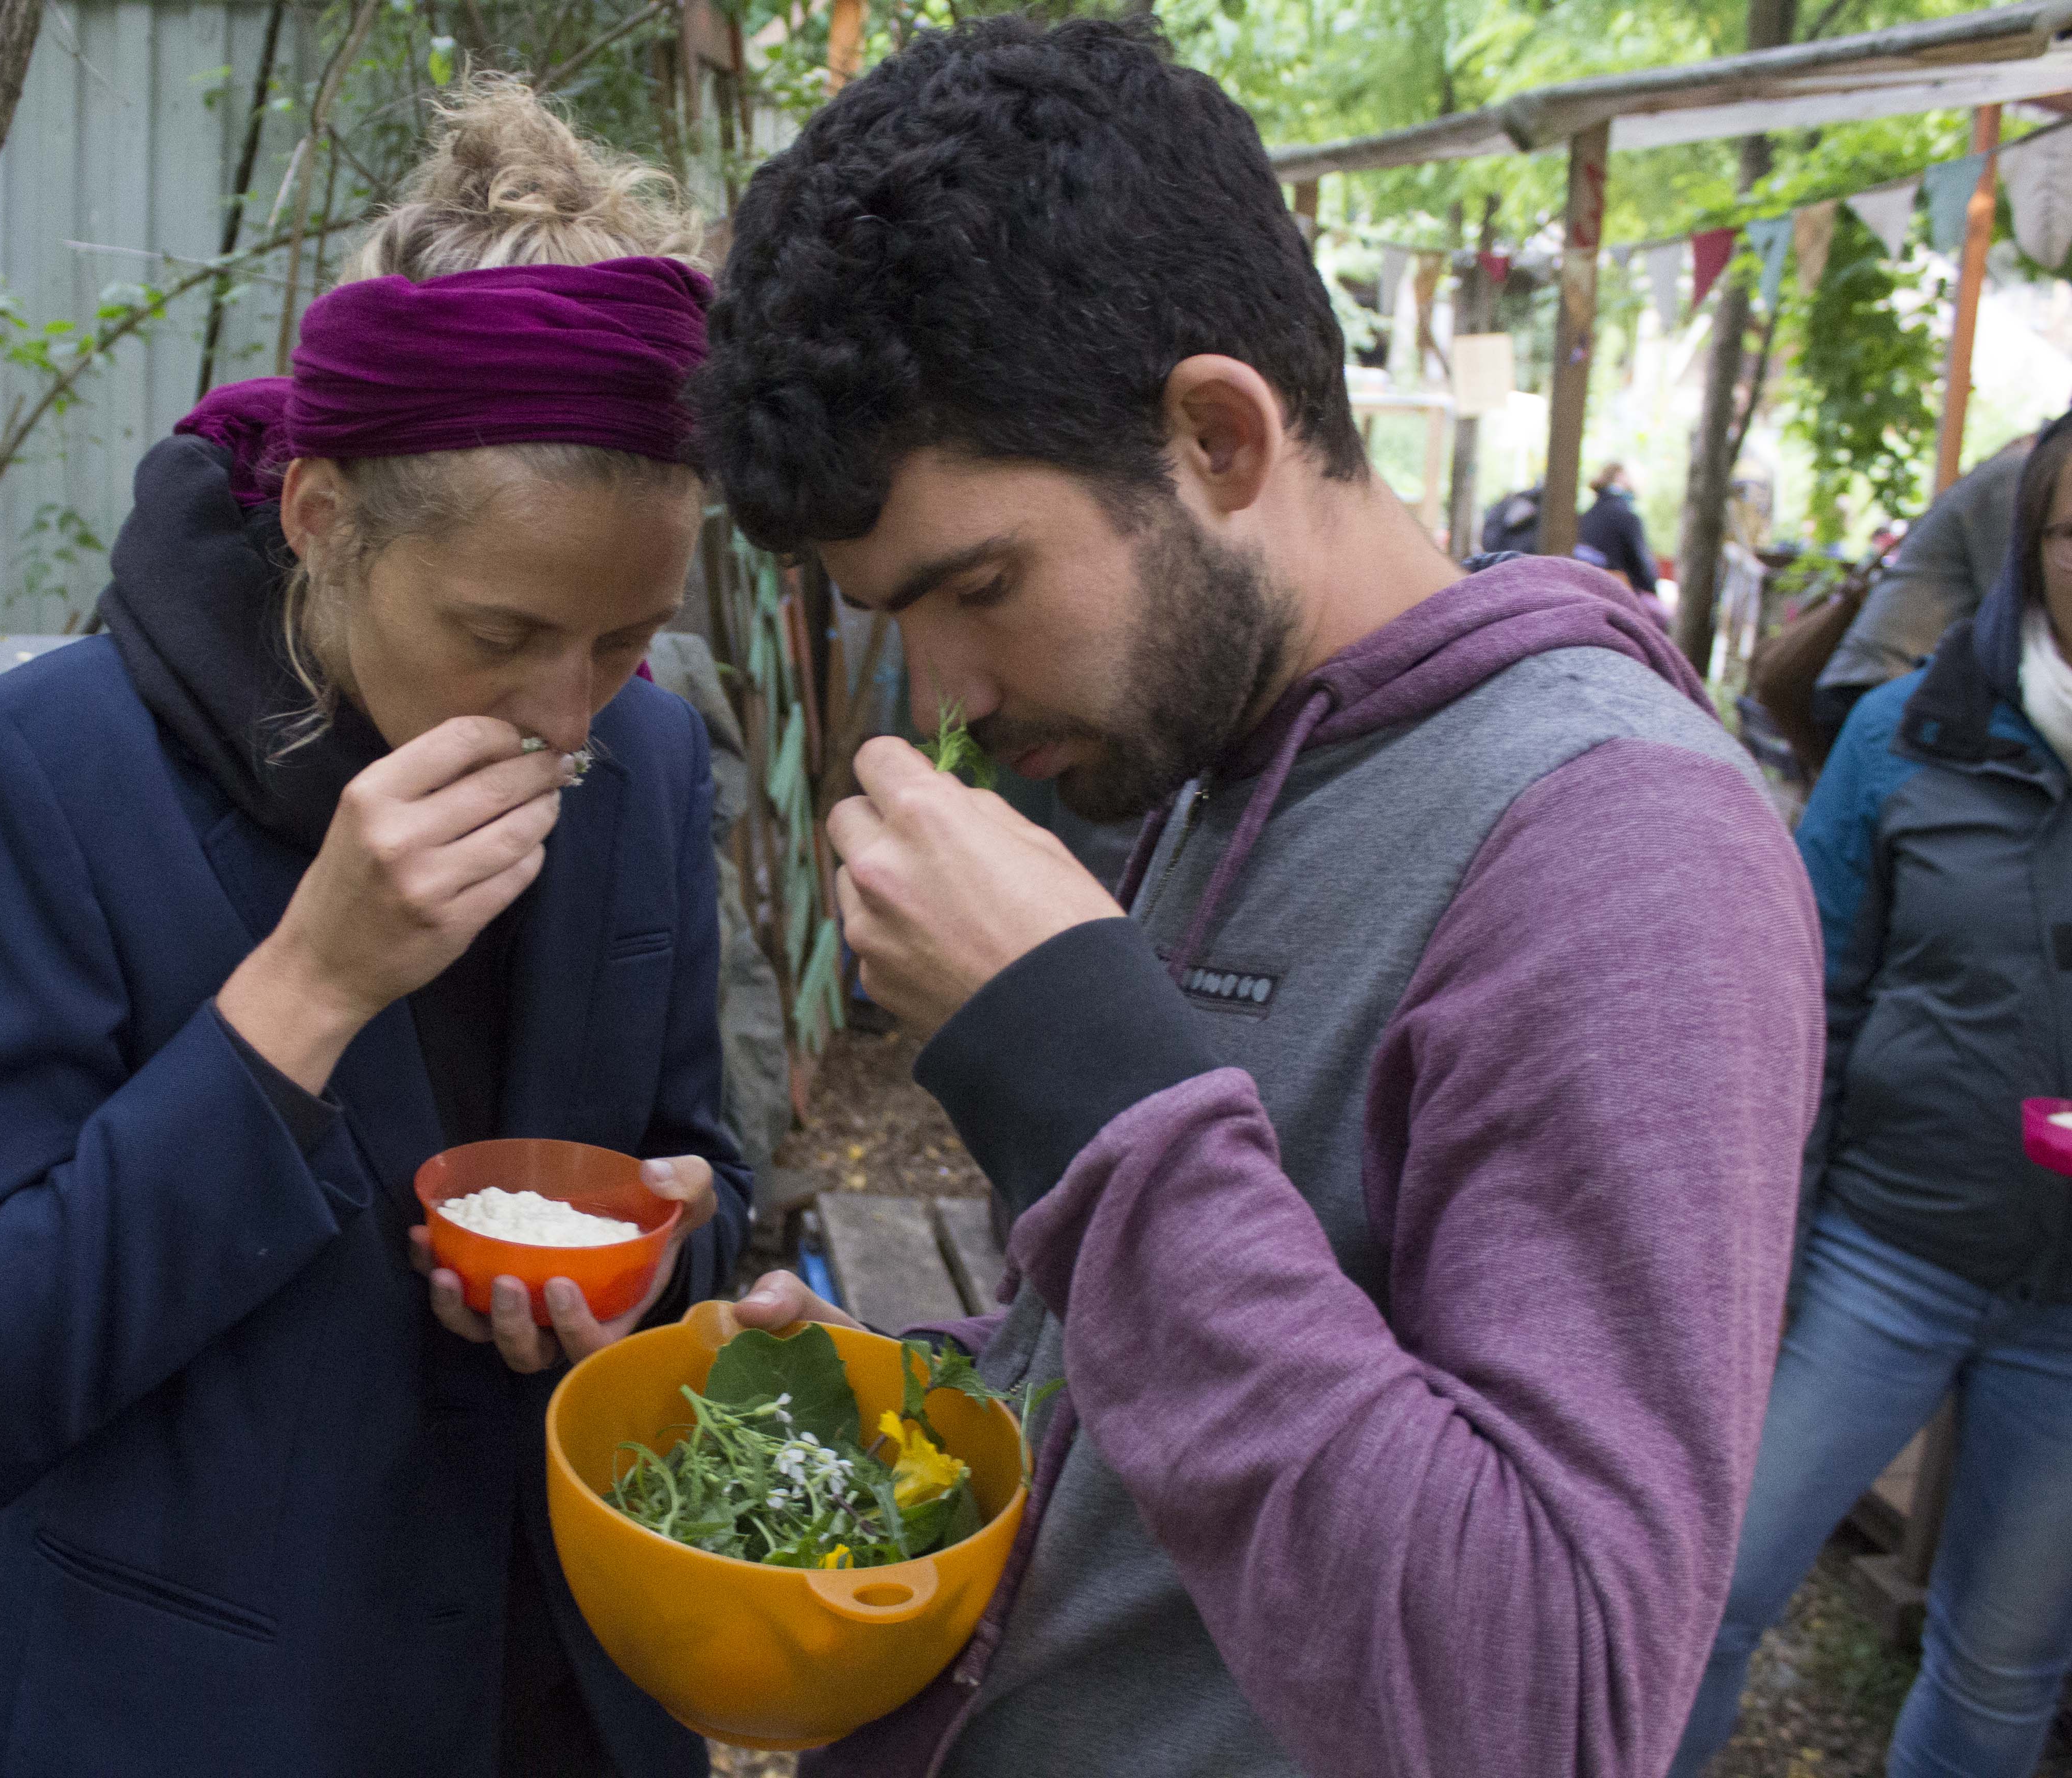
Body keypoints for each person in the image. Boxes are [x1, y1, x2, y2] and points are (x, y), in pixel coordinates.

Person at [698, 20, 1822, 1776]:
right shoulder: (1216, 742)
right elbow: (1235, 1343)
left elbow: (1553, 1705)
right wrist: (930, 1398)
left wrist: (1081, 1075)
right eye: (895, 616)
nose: (951, 693)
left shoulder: (1621, 852)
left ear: (1218, 435)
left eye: (979, 584)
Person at [0, 82, 748, 1778]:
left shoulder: (647, 753)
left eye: (628, 634)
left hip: (570, 1706)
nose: (568, 714)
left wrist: (677, 1259)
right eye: (505, 631)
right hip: (197, 1722)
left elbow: (695, 1161)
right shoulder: (41, 776)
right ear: (324, 519)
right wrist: (305, 991)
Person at [1667, 410, 2072, 1778]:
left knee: (2005, 1673)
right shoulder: (1914, 731)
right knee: (1709, 1599)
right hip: (1881, 1256)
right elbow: (1810, 999)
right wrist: (1767, 1240)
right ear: (2031, 550)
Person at [1811, 434, 2031, 747]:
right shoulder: (2016, 475)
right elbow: (2016, 613)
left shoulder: (2010, 470)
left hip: (1881, 687)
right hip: (1879, 687)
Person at [1579, 460, 1662, 597]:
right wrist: (1654, 593)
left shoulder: (1587, 515)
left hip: (1587, 591)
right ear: (1620, 476)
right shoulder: (1627, 516)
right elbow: (1644, 568)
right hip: (1620, 594)